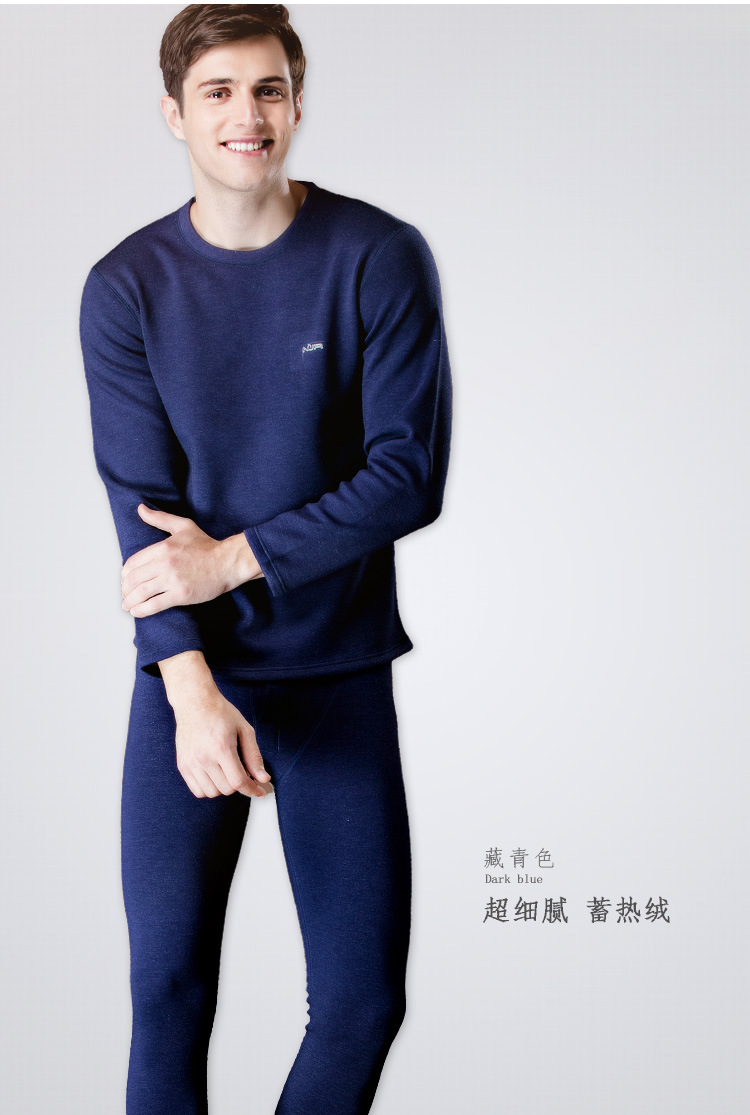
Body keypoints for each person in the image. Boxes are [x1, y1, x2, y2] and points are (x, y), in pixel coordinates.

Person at [79, 4, 452, 1112]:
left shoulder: (377, 256)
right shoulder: (127, 285)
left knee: (360, 1004)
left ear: (296, 102)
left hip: (337, 676)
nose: (248, 114)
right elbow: (143, 521)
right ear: (174, 113)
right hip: (194, 680)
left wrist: (234, 559)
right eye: (219, 92)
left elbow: (407, 475)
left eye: (270, 88)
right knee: (168, 993)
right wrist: (189, 689)